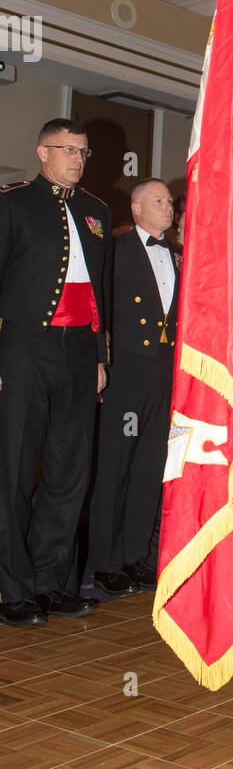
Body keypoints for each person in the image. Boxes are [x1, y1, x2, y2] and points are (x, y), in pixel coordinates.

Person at [0, 119, 111, 626]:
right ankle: (11, 590)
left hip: (80, 352)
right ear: (42, 152)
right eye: (68, 150)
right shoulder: (12, 202)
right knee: (14, 472)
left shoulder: (97, 212)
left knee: (69, 473)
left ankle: (51, 583)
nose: (78, 159)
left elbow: (100, 294)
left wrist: (101, 358)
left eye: (83, 151)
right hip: (25, 348)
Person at [87, 180, 181, 596]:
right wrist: (100, 361)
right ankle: (106, 562)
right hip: (127, 372)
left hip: (164, 371)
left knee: (149, 467)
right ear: (137, 208)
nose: (168, 207)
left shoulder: (178, 255)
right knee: (117, 465)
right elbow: (100, 309)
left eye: (170, 202)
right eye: (159, 201)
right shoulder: (116, 251)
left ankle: (136, 556)